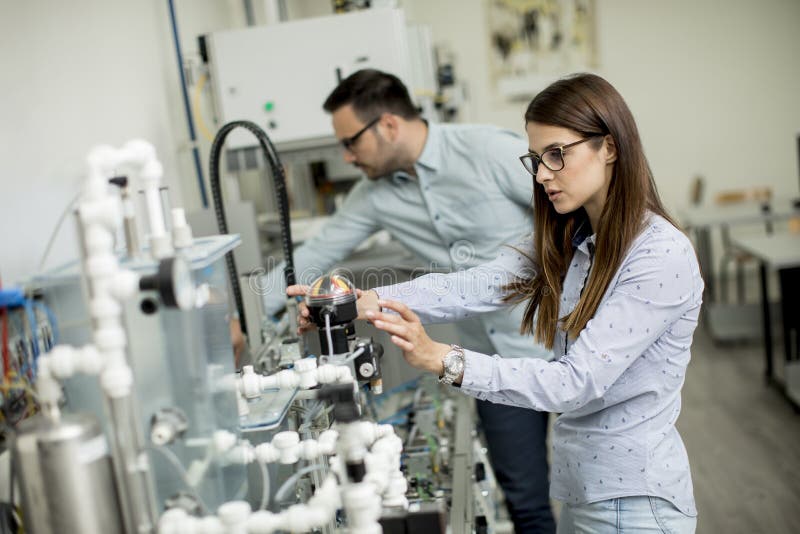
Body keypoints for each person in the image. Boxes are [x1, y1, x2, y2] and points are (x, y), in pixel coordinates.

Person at [291, 73, 703, 533]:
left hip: (633, 504)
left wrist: (442, 358)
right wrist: (365, 302)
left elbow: (576, 382)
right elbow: (477, 284)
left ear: (608, 147)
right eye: (536, 159)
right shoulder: (575, 237)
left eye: (556, 155)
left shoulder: (658, 254)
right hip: (587, 493)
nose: (543, 173)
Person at [261, 69, 556, 532]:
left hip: (568, 341)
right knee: (528, 505)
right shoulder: (374, 196)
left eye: (351, 142)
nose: (346, 155)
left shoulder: (488, 151)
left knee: (594, 489)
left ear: (389, 125)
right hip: (494, 364)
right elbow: (316, 253)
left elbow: (572, 215)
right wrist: (248, 311)